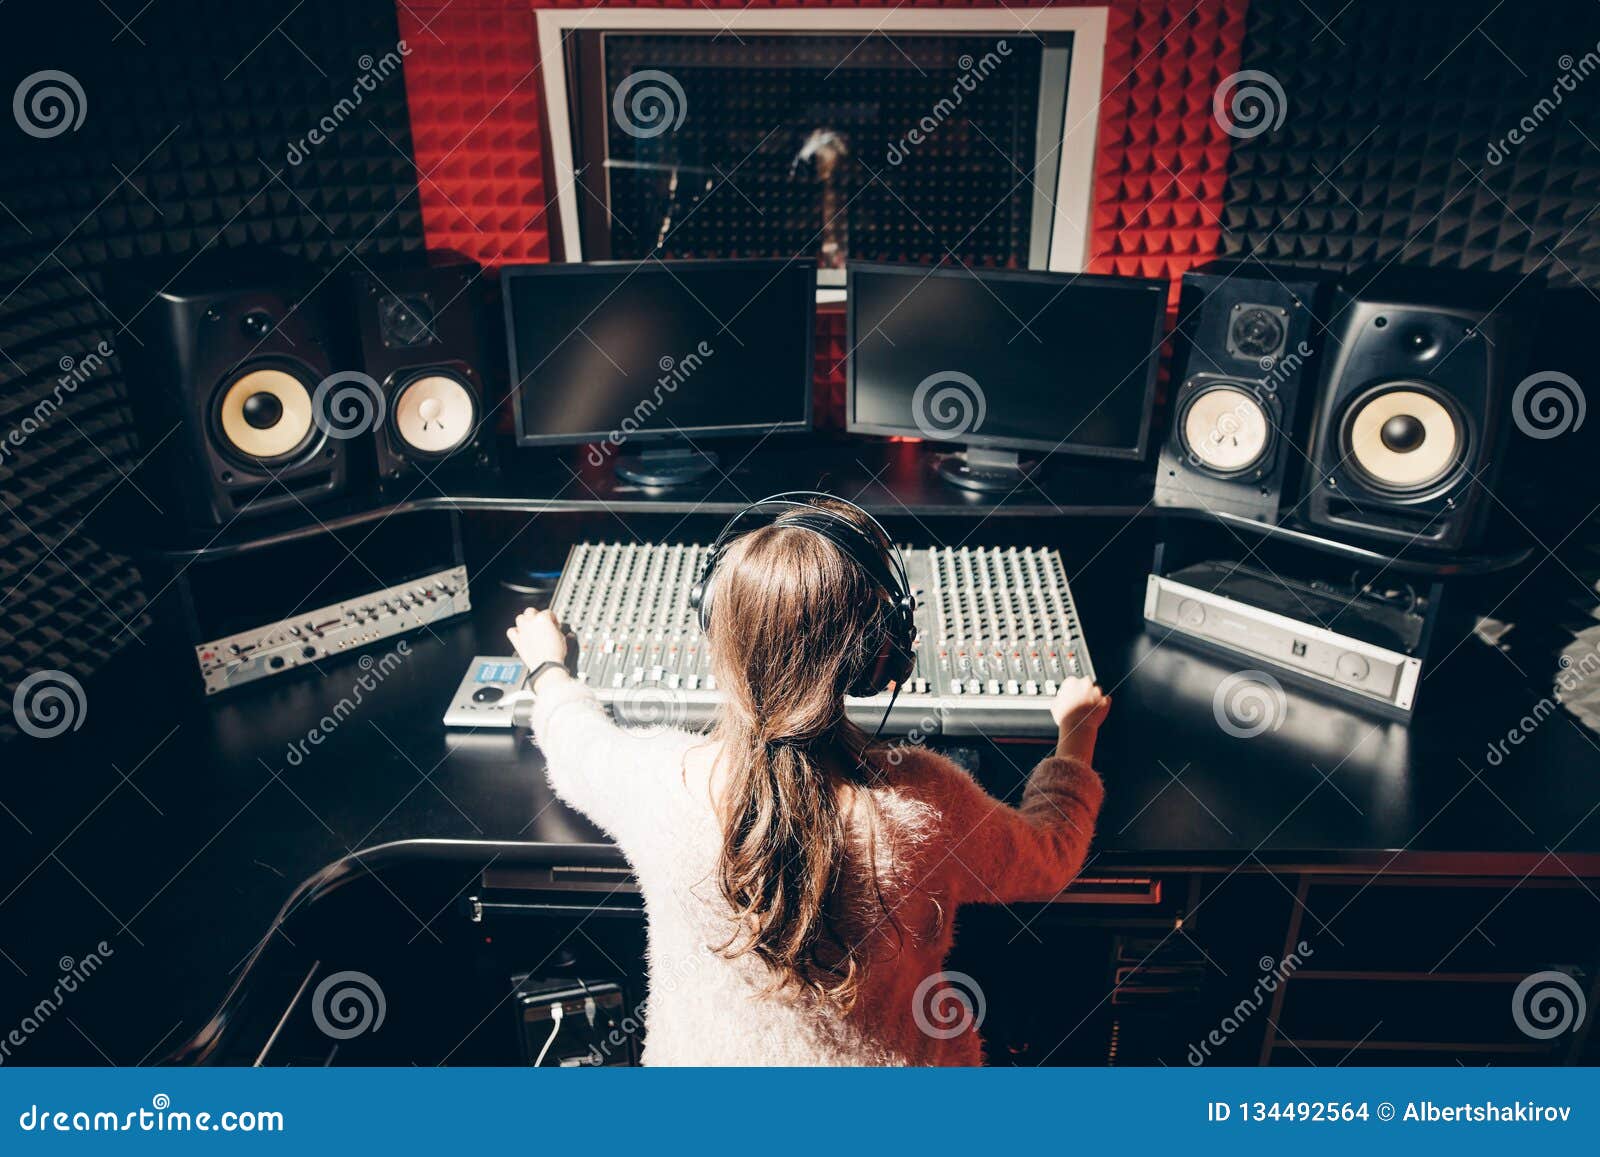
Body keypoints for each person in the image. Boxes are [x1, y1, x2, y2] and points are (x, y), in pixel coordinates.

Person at [507, 496, 1108, 1065]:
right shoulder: (922, 802)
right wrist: (1075, 735)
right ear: (881, 657)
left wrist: (548, 667)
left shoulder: (662, 783)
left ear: (715, 628)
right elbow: (1051, 853)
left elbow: (576, 741)